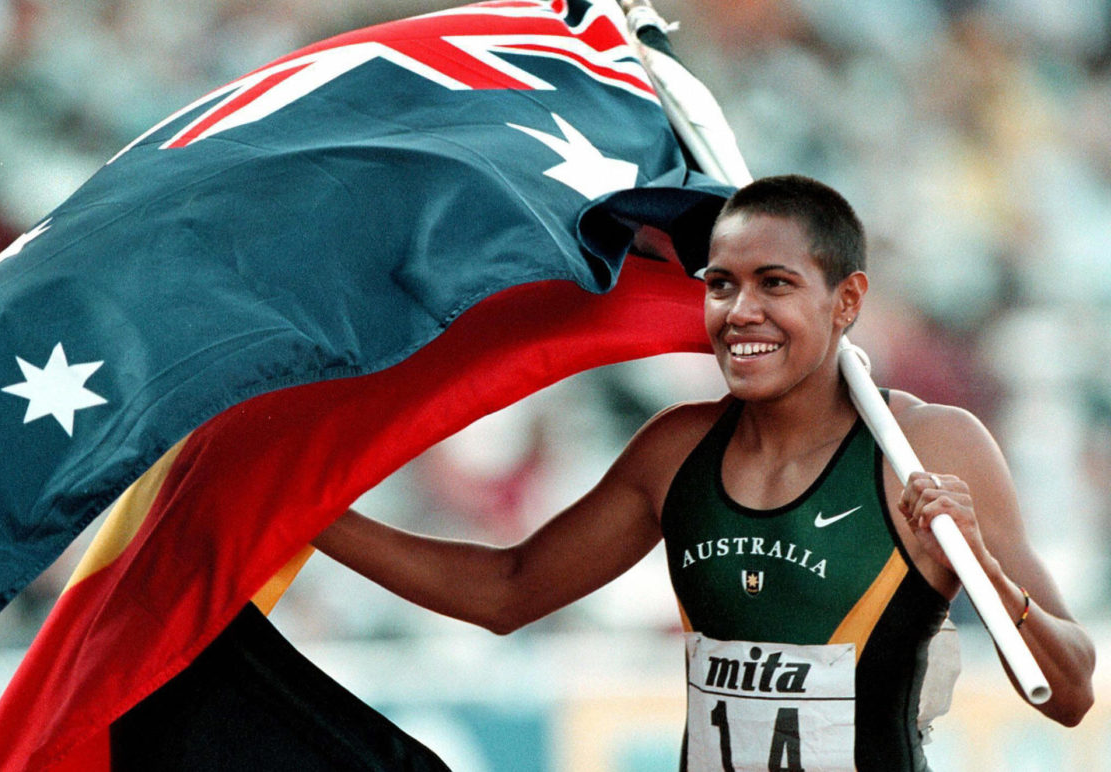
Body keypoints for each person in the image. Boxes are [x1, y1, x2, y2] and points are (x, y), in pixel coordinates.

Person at [312, 175, 1095, 771]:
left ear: (847, 299)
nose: (739, 311)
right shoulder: (677, 450)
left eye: (775, 283)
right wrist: (306, 520)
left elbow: (1070, 692)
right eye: (721, 284)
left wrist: (986, 574)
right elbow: (508, 589)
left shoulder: (929, 448)